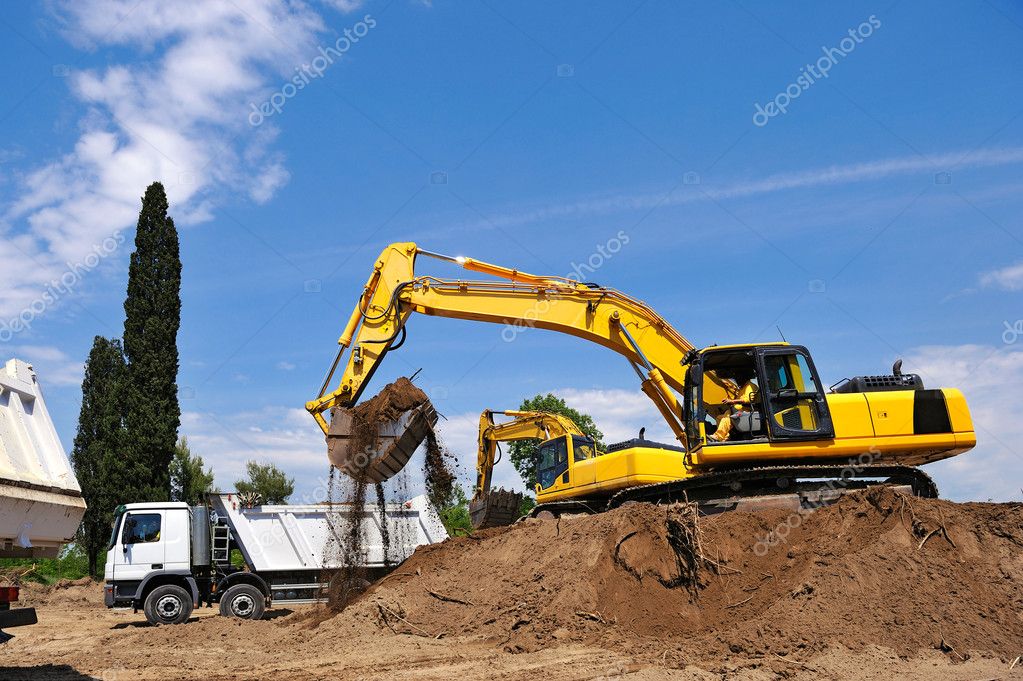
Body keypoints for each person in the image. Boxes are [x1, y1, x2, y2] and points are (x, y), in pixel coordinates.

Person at [709, 369, 758, 442]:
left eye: (738, 378)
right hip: (739, 409)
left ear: (744, 377)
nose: (737, 380)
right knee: (719, 417)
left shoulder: (750, 386)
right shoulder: (743, 387)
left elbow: (747, 399)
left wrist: (732, 401)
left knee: (728, 415)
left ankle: (718, 436)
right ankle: (725, 437)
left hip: (747, 410)